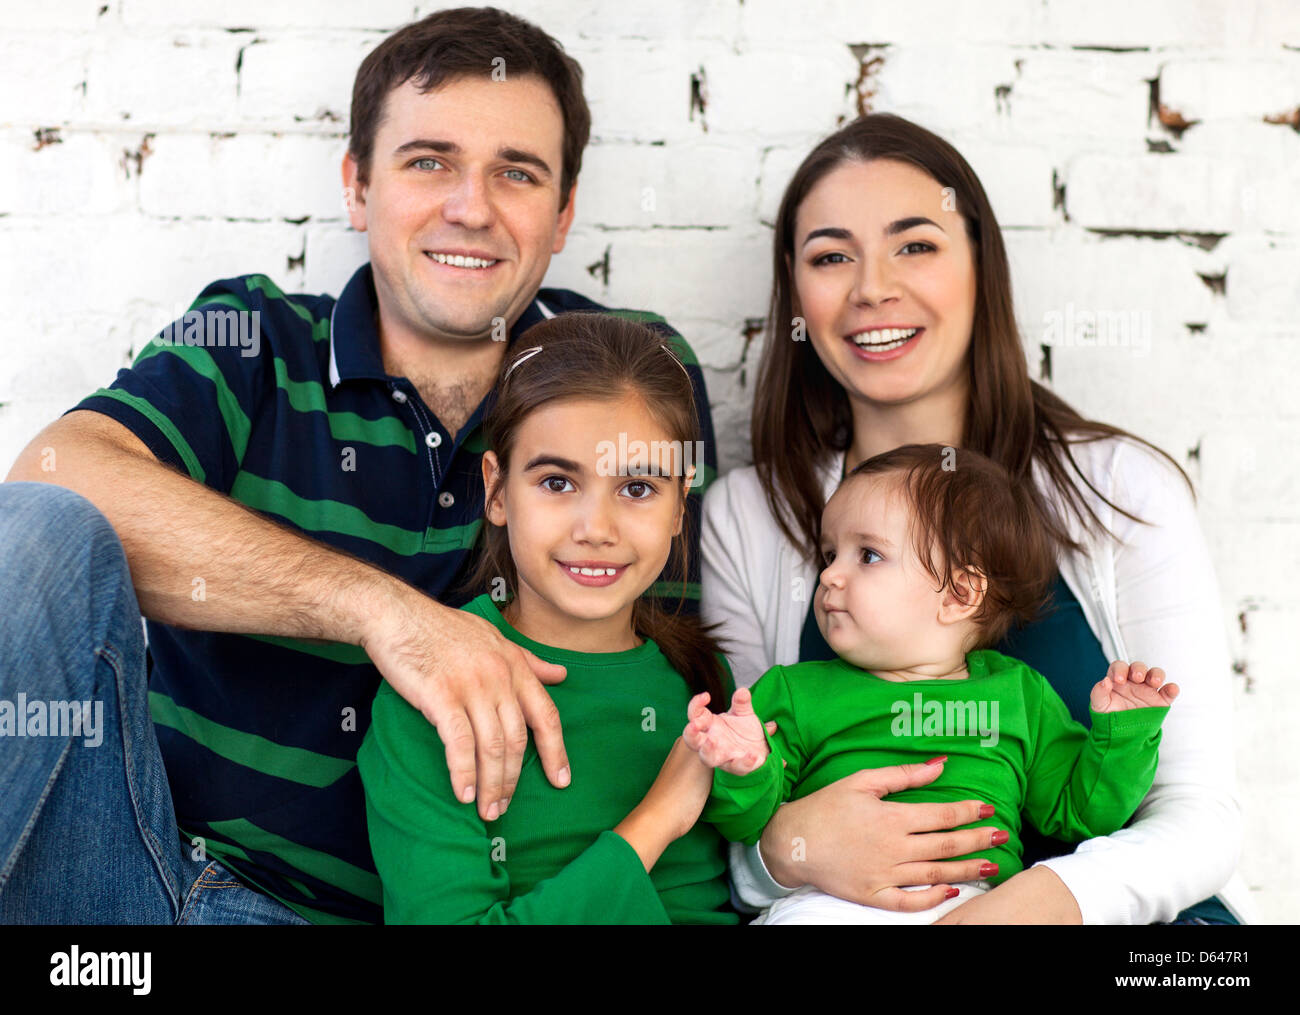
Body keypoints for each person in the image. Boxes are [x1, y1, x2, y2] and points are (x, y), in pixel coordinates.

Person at [0, 8, 717, 925]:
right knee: (31, 530)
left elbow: (662, 686)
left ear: (565, 211)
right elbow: (56, 481)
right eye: (429, 161)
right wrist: (384, 614)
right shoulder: (255, 339)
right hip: (129, 870)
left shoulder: (624, 379)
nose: (471, 205)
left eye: (518, 172)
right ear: (357, 186)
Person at [700, 112, 1250, 924]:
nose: (872, 288)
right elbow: (734, 825)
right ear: (795, 292)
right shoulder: (747, 516)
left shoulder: (1118, 490)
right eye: (830, 256)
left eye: (915, 244)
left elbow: (1202, 813)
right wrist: (792, 850)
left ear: (981, 267)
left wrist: (1044, 897)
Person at [687, 444, 1177, 924]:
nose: (831, 575)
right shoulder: (793, 691)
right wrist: (745, 766)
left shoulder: (1020, 696)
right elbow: (746, 823)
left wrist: (1125, 734)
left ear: (959, 594)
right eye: (830, 553)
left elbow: (1080, 813)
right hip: (830, 900)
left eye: (869, 555)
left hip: (979, 905)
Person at [358, 314, 739, 924]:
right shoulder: (433, 693)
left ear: (679, 503)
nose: (596, 530)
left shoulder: (704, 679)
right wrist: (658, 819)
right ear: (497, 491)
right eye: (558, 482)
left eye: (638, 488)